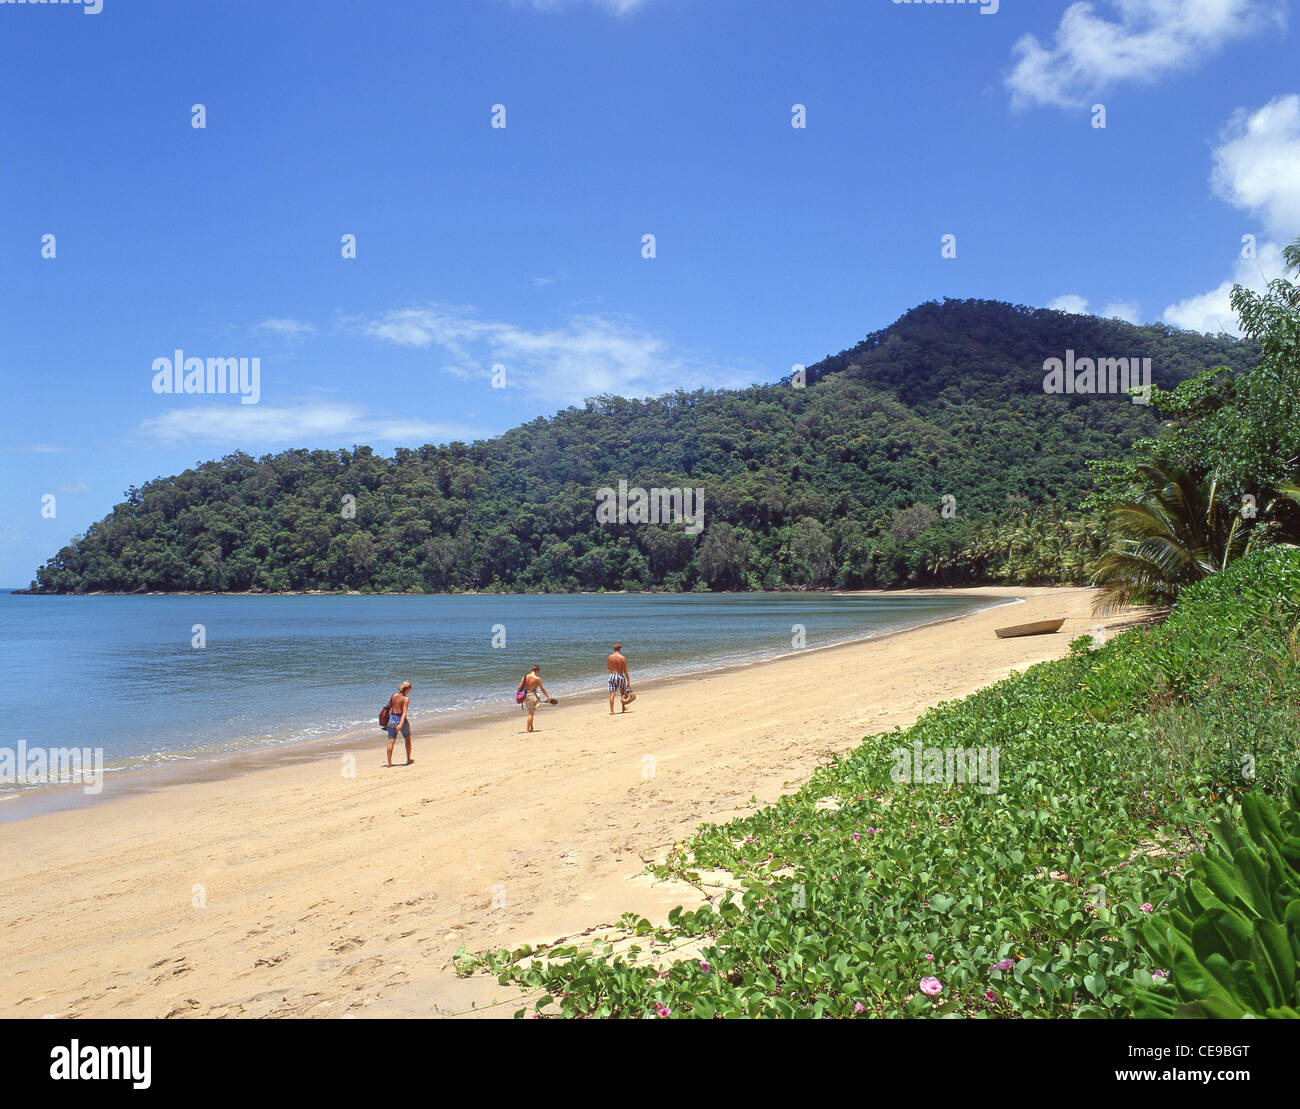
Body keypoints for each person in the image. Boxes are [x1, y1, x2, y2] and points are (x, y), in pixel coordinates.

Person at [516, 665, 554, 733]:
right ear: (537, 671)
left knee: (531, 712)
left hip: (526, 696)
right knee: (531, 713)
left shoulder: (525, 677)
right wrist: (548, 697)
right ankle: (527, 729)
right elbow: (542, 689)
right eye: (537, 672)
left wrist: (518, 696)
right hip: (532, 696)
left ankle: (532, 728)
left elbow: (519, 688)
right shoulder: (537, 679)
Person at [385, 681, 413, 767]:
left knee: (391, 741)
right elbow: (404, 712)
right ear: (407, 689)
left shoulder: (394, 696)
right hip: (401, 719)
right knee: (407, 739)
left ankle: (389, 762)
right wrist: (400, 724)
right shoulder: (406, 699)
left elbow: (388, 707)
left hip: (392, 718)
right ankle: (408, 759)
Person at [607, 643, 632, 715]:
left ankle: (612, 711)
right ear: (620, 649)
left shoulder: (609, 657)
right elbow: (625, 670)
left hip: (612, 675)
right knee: (623, 693)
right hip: (620, 676)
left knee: (612, 694)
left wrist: (613, 671)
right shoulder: (622, 658)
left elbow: (608, 667)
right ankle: (623, 708)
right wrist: (628, 680)